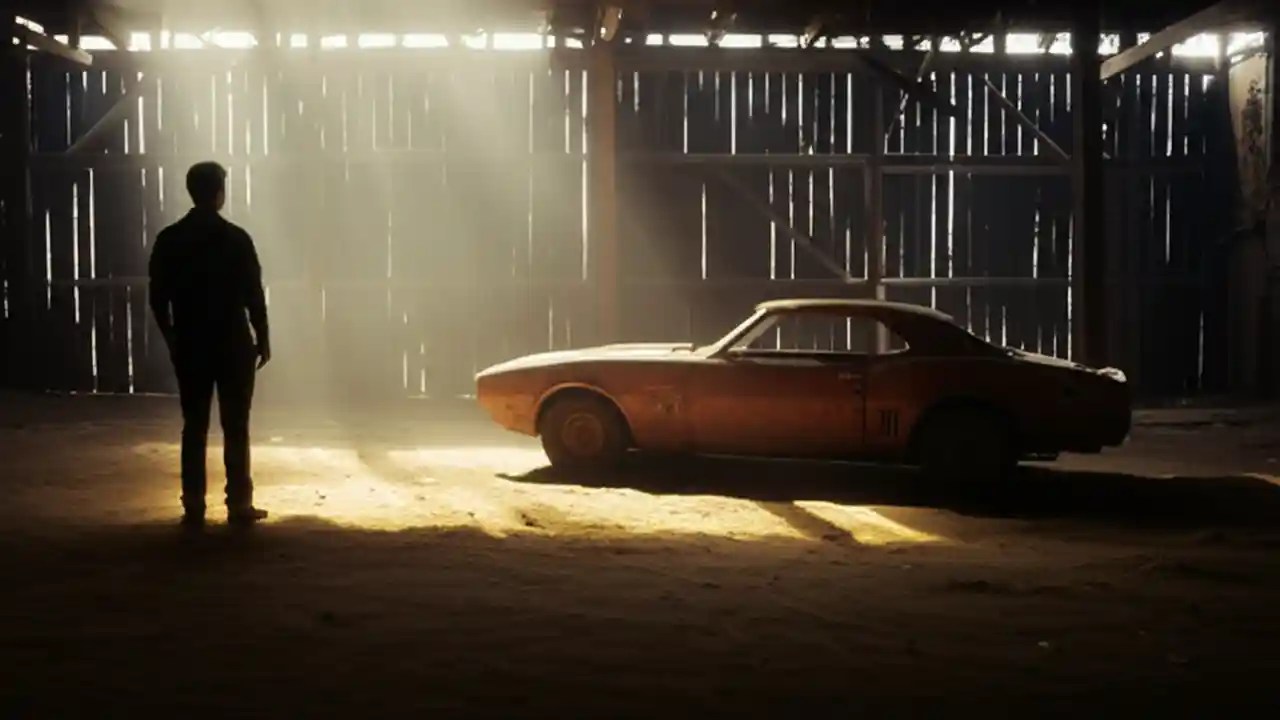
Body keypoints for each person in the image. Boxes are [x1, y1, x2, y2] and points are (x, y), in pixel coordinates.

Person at [149, 162, 271, 526]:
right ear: (219, 193)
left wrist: (171, 337)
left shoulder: (170, 240)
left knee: (194, 425)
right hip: (233, 342)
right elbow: (254, 296)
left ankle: (194, 504)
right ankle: (239, 503)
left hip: (191, 343)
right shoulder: (236, 239)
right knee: (236, 425)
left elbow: (158, 298)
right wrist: (263, 337)